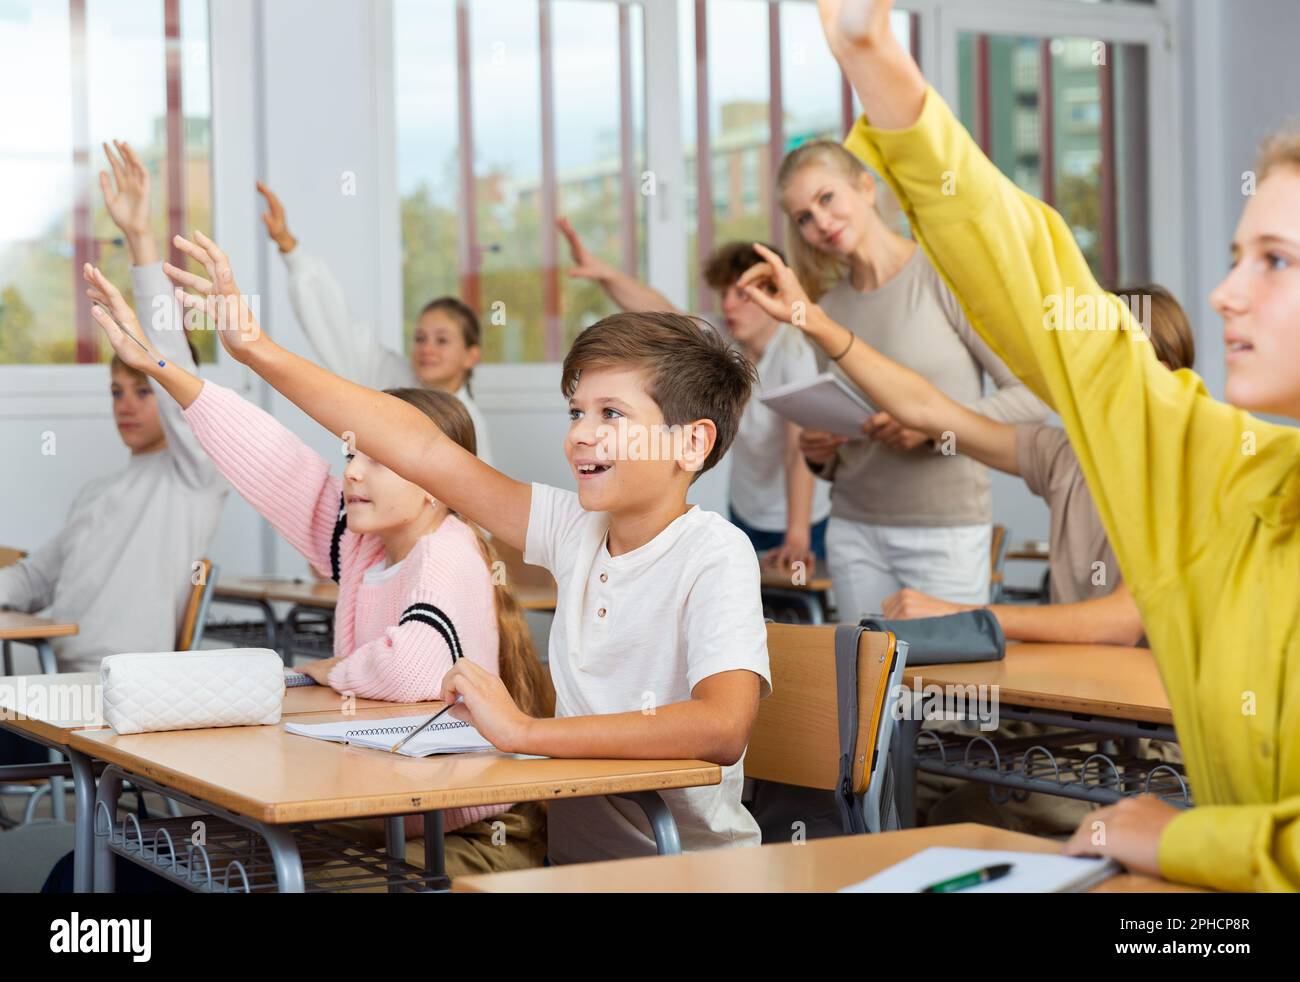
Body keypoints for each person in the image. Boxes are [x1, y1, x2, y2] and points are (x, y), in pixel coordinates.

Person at [818, 0, 1300, 890]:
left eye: (1274, 259)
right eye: (1237, 254)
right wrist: (875, 56)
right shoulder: (1228, 474)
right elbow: (1053, 307)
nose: (1227, 291)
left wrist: (1182, 840)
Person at [117, 229, 770, 864]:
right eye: (577, 412)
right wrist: (255, 348)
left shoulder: (714, 552)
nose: (581, 435)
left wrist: (528, 733)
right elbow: (422, 446)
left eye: (611, 414)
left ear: (691, 443)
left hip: (690, 869)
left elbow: (721, 726)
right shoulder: (575, 529)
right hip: (574, 863)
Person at [85, 261, 550, 876]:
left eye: (376, 460)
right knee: (143, 865)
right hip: (386, 809)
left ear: (436, 485)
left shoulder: (450, 549)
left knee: (237, 870)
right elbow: (270, 458)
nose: (352, 472)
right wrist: (165, 371)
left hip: (465, 831)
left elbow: (413, 663)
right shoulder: (363, 541)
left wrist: (335, 671)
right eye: (350, 454)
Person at [774, 137, 1048, 619]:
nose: (821, 222)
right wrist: (822, 456)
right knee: (865, 690)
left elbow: (1032, 396)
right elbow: (845, 443)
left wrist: (931, 427)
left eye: (826, 198)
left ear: (866, 187)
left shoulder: (945, 276)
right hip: (854, 527)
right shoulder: (827, 311)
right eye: (803, 217)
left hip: (945, 527)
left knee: (945, 690)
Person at [0, 140, 225, 688]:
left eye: (144, 390)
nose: (125, 403)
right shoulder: (103, 489)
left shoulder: (196, 475)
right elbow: (35, 575)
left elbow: (168, 357)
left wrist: (140, 239)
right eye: (116, 391)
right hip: (53, 677)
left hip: (112, 688)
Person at [558, 219, 829, 571]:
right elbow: (659, 311)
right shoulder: (726, 344)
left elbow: (798, 451)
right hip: (747, 507)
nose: (729, 306)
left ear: (775, 296)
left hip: (801, 519)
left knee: (798, 603)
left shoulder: (795, 353)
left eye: (742, 295)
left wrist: (797, 535)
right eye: (725, 294)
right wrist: (606, 275)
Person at [256, 182, 493, 466]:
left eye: (442, 340)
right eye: (420, 338)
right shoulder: (391, 377)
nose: (427, 348)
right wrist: (289, 246)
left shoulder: (469, 423)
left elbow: (474, 503)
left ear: (471, 355)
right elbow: (339, 326)